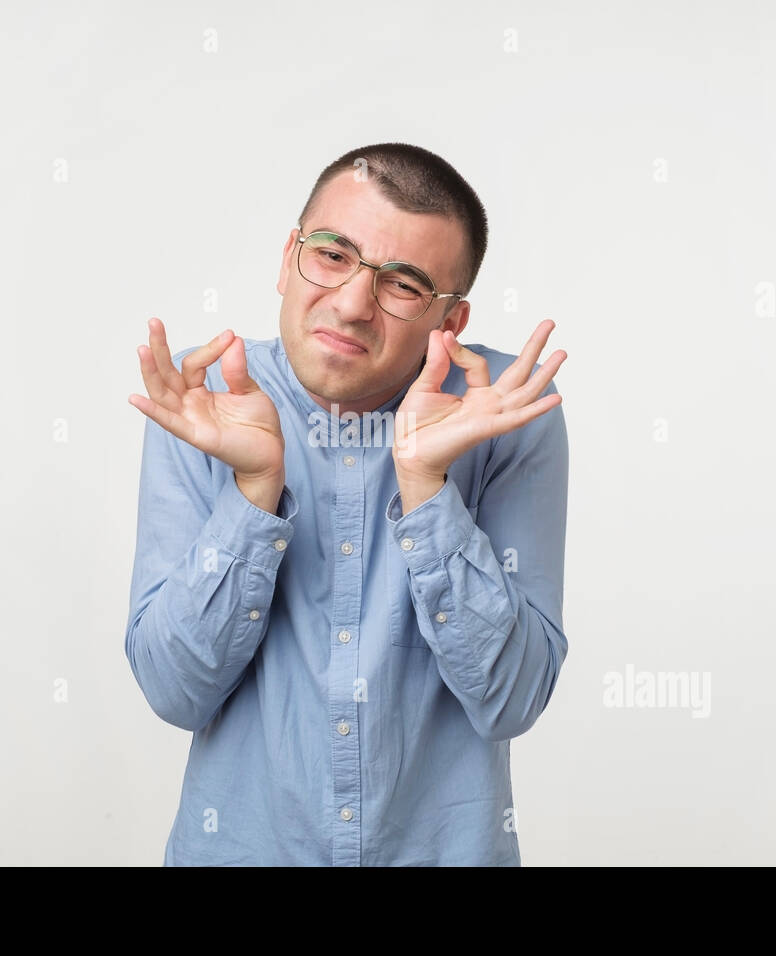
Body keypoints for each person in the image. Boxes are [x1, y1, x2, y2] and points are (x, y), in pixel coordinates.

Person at [124, 142, 569, 866]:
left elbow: (512, 700)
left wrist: (429, 491)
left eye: (403, 284)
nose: (353, 303)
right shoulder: (202, 402)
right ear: (287, 257)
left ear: (448, 323)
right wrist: (253, 495)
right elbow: (175, 692)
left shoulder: (505, 415)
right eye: (333, 255)